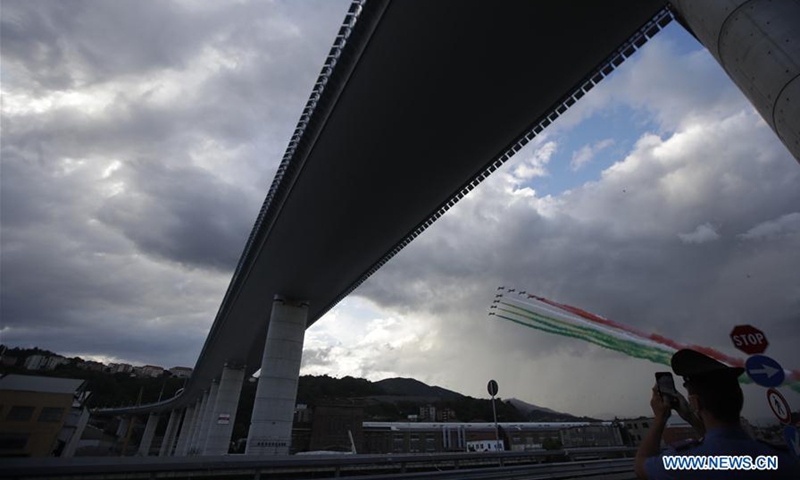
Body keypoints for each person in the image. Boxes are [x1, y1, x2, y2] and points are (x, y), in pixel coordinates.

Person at [634, 349, 799, 479]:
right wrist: (692, 416)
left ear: (695, 403)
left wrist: (661, 417)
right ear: (739, 399)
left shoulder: (685, 464)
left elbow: (641, 466)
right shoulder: (783, 460)